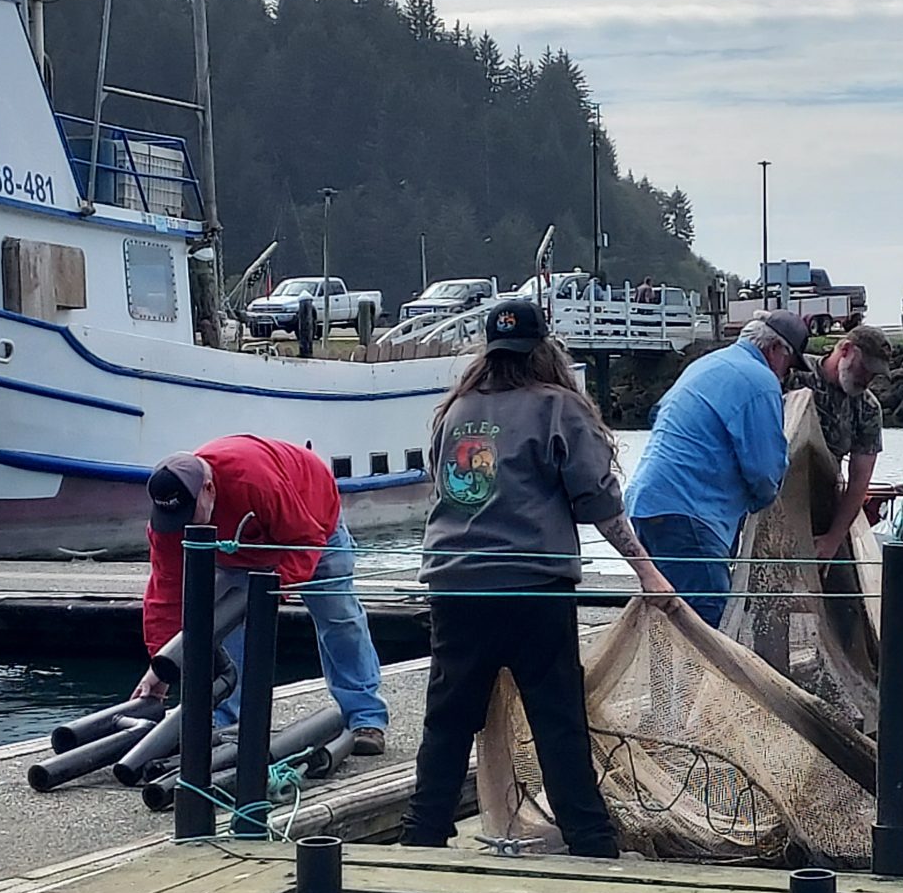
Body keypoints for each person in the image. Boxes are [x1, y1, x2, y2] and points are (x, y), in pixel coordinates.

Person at [405, 297, 677, 855]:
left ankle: (422, 838)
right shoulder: (558, 407)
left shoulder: (454, 412)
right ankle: (591, 843)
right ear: (544, 350)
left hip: (454, 584)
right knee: (558, 724)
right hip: (533, 585)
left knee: (448, 723)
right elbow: (597, 502)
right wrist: (647, 572)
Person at [136, 436, 389, 756]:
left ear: (209, 490)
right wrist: (161, 668)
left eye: (189, 512)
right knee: (227, 631)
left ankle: (366, 718)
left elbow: (306, 540)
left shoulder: (254, 481)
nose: (181, 524)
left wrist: (271, 592)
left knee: (339, 618)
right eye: (175, 518)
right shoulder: (169, 523)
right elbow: (166, 590)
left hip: (312, 523)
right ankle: (227, 725)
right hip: (238, 547)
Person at [624, 311, 810, 627]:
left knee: (667, 620)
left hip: (647, 505)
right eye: (789, 366)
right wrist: (760, 502)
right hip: (691, 515)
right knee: (704, 628)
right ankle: (693, 680)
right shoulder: (760, 380)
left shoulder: (707, 365)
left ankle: (666, 679)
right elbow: (765, 472)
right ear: (777, 350)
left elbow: (659, 417)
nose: (785, 375)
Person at [791, 322, 894, 559]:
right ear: (845, 350)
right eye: (864, 368)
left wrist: (833, 539)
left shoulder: (867, 408)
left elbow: (860, 479)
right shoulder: (794, 372)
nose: (867, 379)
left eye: (874, 374)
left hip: (822, 498)